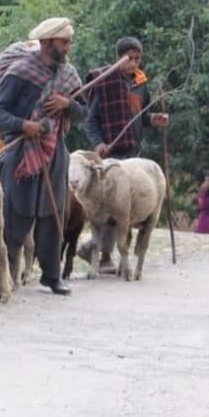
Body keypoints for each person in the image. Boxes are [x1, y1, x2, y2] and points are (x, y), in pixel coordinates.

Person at [0, 17, 88, 296]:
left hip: (55, 149)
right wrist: (25, 125)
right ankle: (6, 271)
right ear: (47, 42)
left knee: (54, 211)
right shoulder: (20, 72)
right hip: (21, 151)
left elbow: (84, 112)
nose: (68, 48)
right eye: (64, 42)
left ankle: (51, 275)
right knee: (15, 212)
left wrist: (67, 104)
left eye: (69, 42)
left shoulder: (69, 75)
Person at [78, 36, 170, 272]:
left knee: (125, 207)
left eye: (138, 58)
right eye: (130, 58)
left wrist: (154, 119)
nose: (134, 63)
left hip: (133, 153)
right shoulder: (104, 81)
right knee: (111, 204)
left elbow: (141, 117)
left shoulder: (140, 82)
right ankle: (104, 255)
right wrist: (98, 143)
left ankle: (109, 253)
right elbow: (91, 119)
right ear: (119, 57)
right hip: (110, 156)